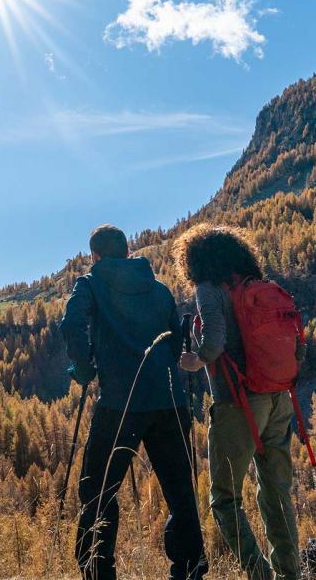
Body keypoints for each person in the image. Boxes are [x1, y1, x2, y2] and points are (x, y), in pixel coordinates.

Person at [61, 224, 207, 580]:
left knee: (98, 492)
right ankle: (188, 571)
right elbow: (175, 340)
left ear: (94, 256)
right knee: (180, 492)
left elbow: (71, 323)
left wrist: (84, 367)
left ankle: (98, 571)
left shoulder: (90, 284)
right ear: (129, 252)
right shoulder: (158, 290)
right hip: (168, 402)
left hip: (119, 404)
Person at [174, 224, 303, 580]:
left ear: (194, 259)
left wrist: (194, 359)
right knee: (277, 493)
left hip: (239, 404)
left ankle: (259, 575)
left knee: (225, 499)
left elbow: (213, 343)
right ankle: (289, 574)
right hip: (279, 397)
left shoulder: (208, 288)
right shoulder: (253, 283)